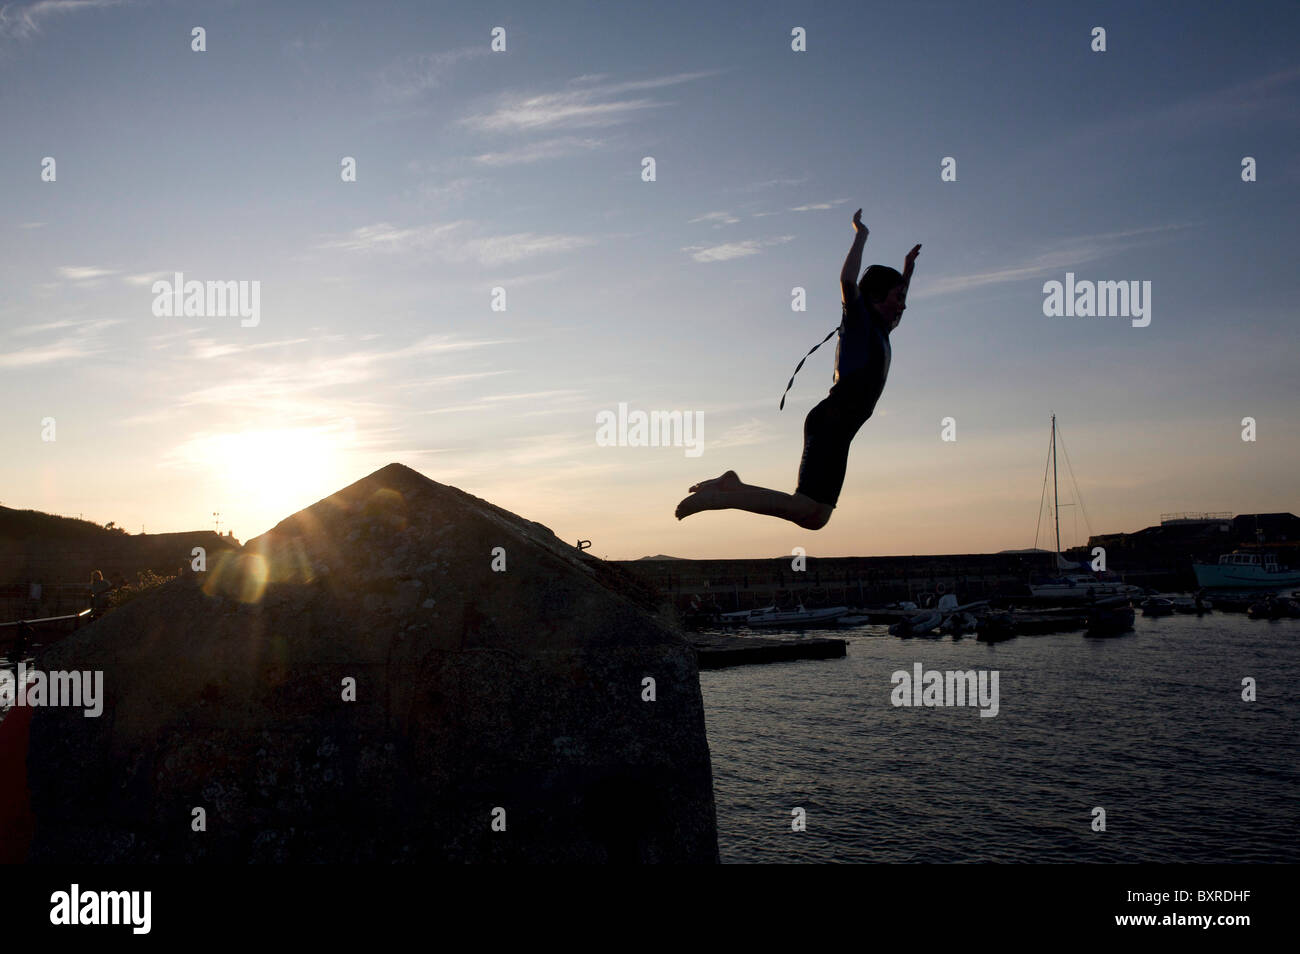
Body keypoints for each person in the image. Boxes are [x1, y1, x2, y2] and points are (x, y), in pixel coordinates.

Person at [677, 207, 919, 529]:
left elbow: (896, 308)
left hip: (842, 429)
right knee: (807, 510)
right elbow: (848, 280)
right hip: (831, 423)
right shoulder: (860, 321)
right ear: (875, 296)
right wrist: (862, 236)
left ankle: (732, 487)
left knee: (816, 516)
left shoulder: (881, 330)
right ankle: (727, 494)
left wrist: (907, 273)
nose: (903, 305)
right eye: (897, 296)